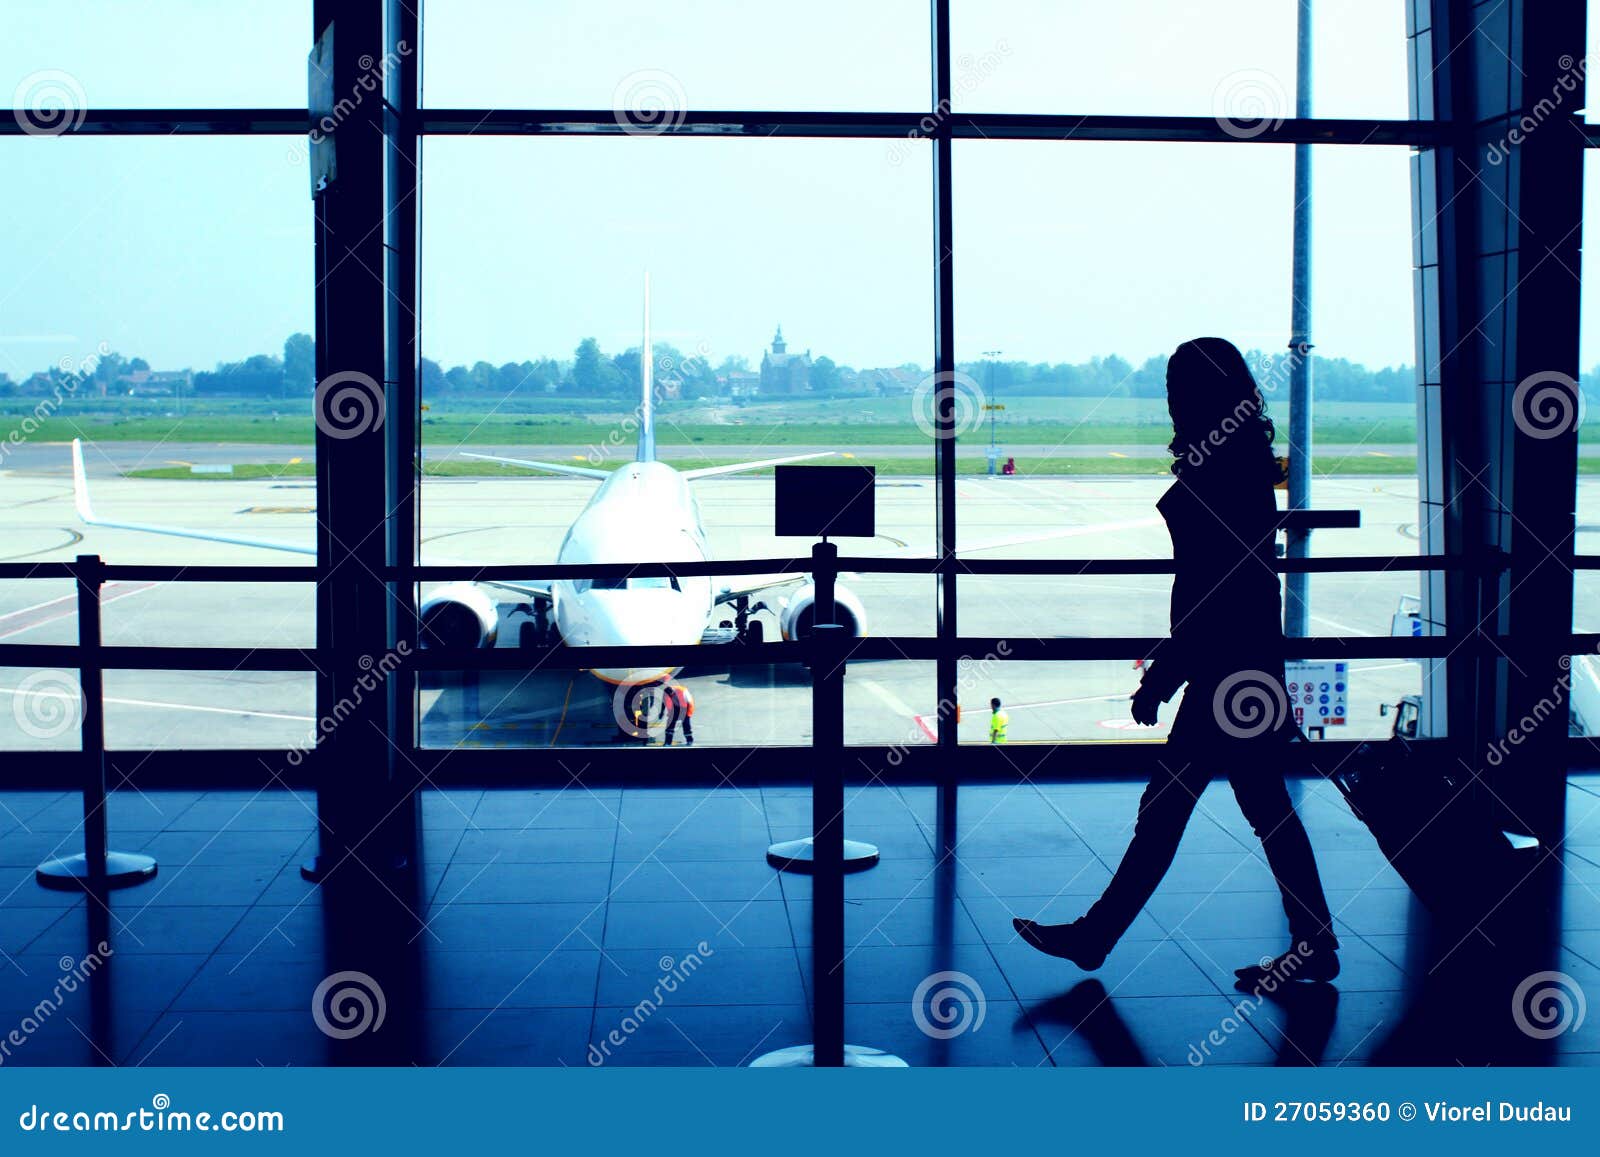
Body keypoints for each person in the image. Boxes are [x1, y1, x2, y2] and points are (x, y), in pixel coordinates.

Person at [1013, 337, 1340, 988]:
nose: (1169, 399)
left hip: (1224, 671)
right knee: (1258, 808)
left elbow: (1209, 592)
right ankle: (1312, 941)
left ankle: (1097, 936)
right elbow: (1235, 589)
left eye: (1177, 387)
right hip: (1244, 669)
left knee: (1175, 808)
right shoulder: (1241, 463)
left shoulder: (1217, 471)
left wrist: (1165, 673)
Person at [658, 680, 695, 746]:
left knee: (686, 724)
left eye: (671, 695)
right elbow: (663, 703)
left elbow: (689, 703)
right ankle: (667, 742)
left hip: (686, 707)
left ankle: (689, 740)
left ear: (673, 691)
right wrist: (661, 712)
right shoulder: (666, 693)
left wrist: (686, 715)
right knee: (670, 724)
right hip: (675, 707)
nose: (670, 697)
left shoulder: (682, 691)